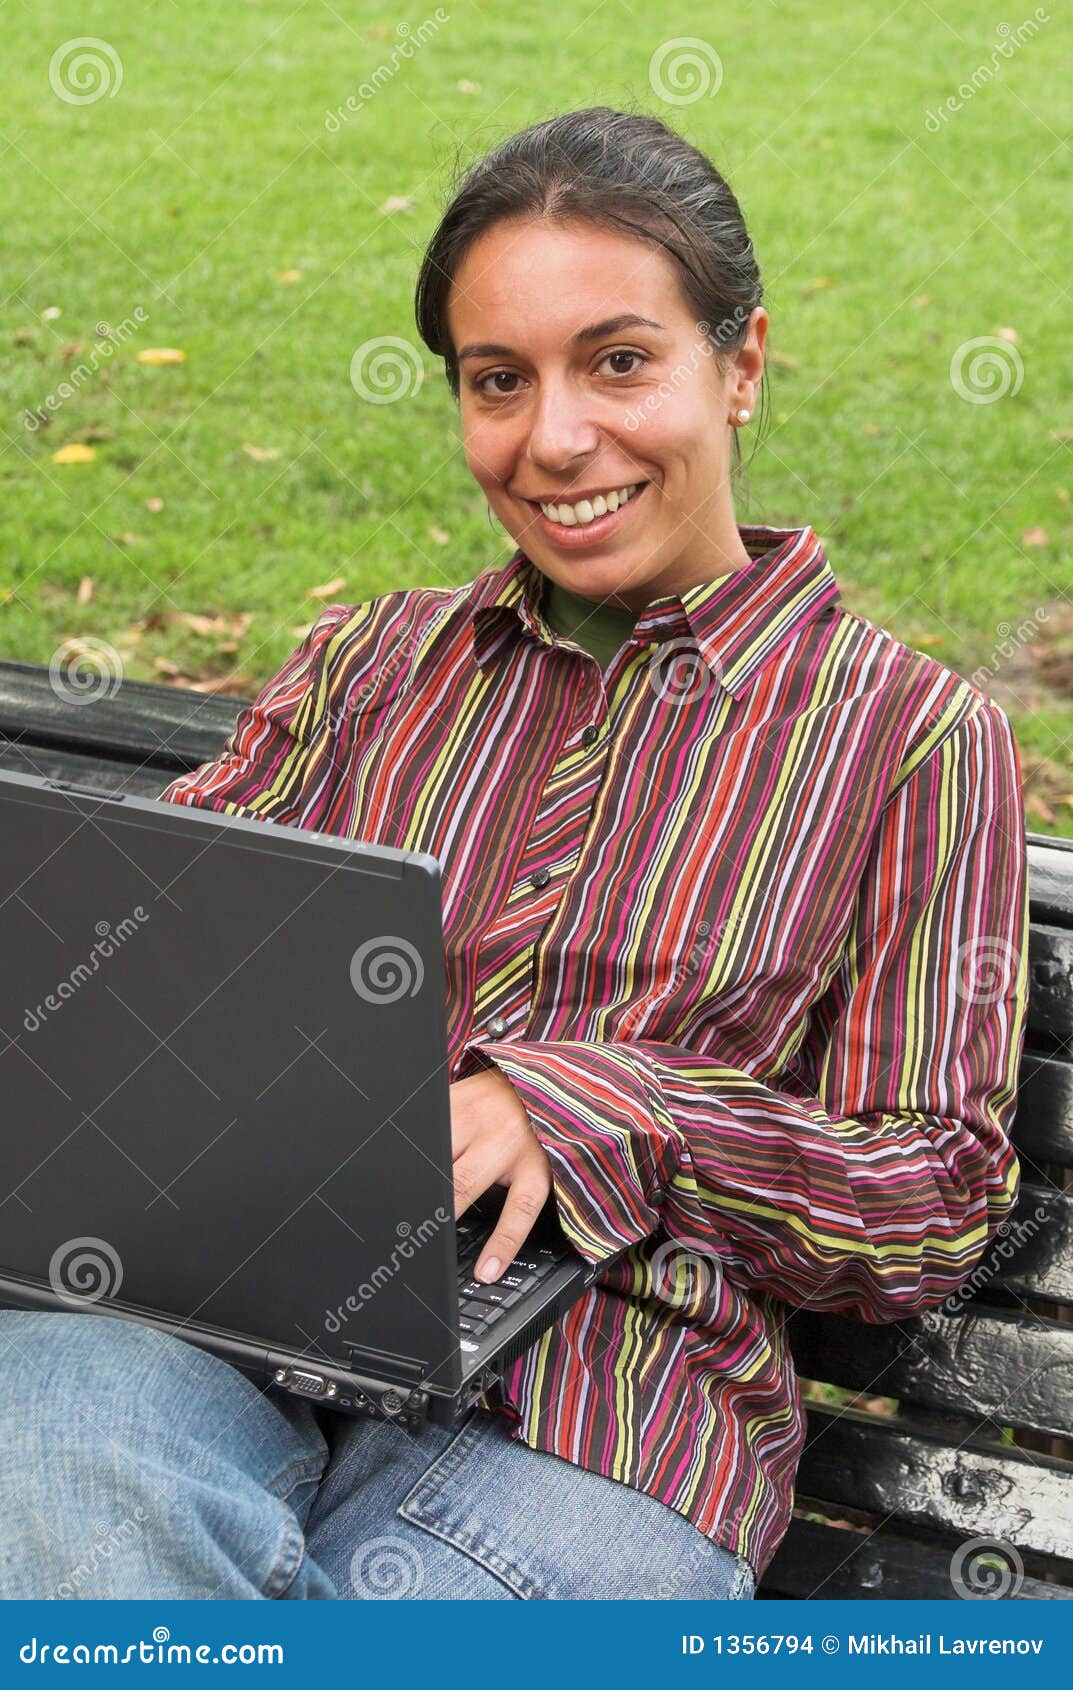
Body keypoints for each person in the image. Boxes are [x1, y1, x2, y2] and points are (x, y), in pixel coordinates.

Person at [0, 106, 1029, 1601]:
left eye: (619, 360)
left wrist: (607, 1110)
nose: (554, 439)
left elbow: (926, 1196)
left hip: (611, 1413)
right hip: (223, 1323)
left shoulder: (910, 738)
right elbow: (147, 958)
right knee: (55, 1512)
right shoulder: (373, 662)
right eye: (498, 381)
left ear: (739, 366)